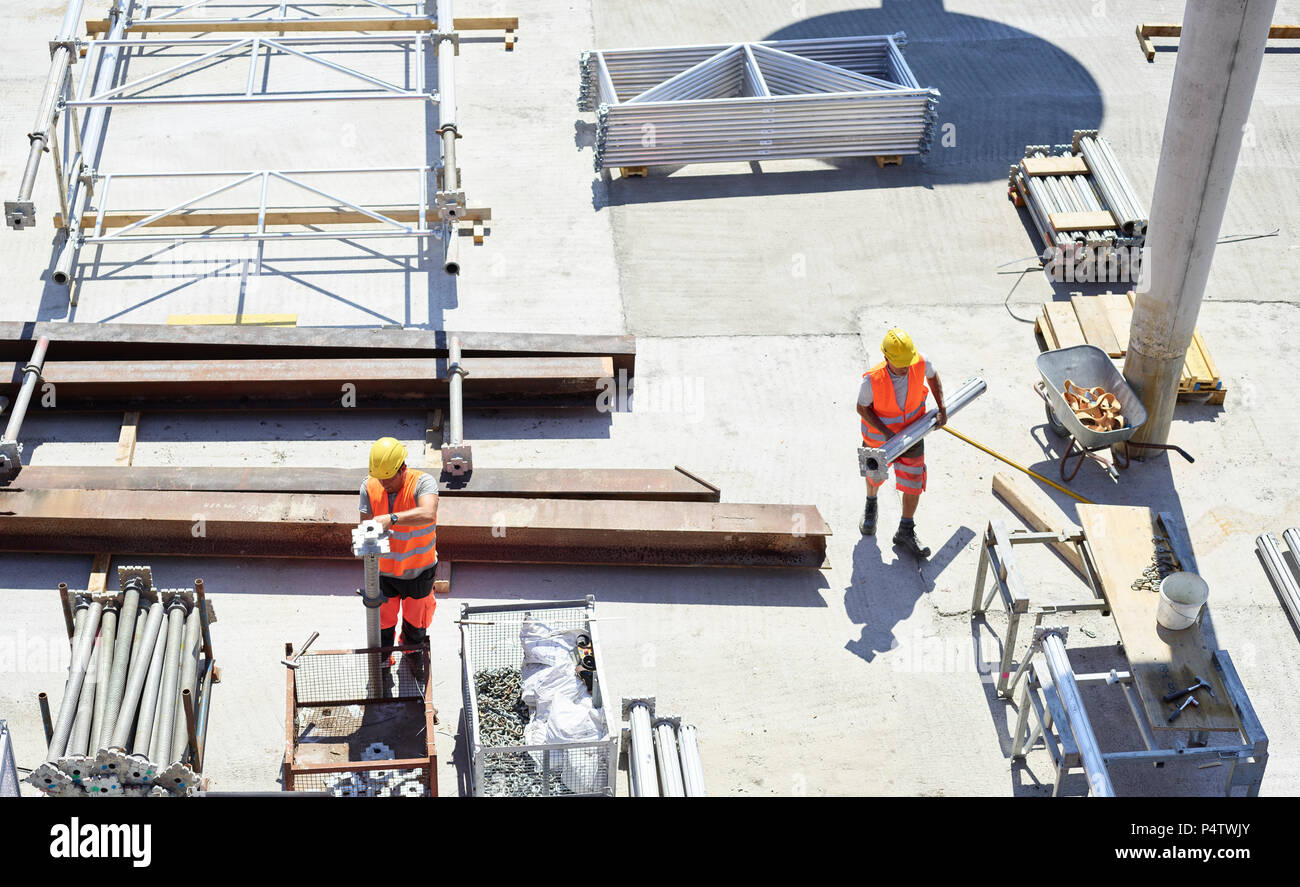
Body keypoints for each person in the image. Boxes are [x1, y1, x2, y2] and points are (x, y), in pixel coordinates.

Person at [856, 328, 946, 559]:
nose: (906, 368)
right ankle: (871, 503)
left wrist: (942, 407)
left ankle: (905, 530)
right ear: (887, 358)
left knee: (913, 481)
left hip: (913, 433)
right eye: (900, 364)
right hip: (879, 440)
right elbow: (862, 408)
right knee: (874, 477)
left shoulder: (919, 361)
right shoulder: (872, 380)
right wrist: (886, 432)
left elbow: (933, 376)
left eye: (908, 362)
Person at [359, 437, 439, 669]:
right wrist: (364, 539)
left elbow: (428, 513)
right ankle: (384, 658)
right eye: (379, 478)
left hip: (419, 571)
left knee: (417, 621)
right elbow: (365, 525)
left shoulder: (423, 483)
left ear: (402, 469)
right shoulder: (369, 485)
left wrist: (392, 519)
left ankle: (411, 651)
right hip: (383, 573)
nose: (383, 484)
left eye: (388, 478)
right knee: (382, 623)